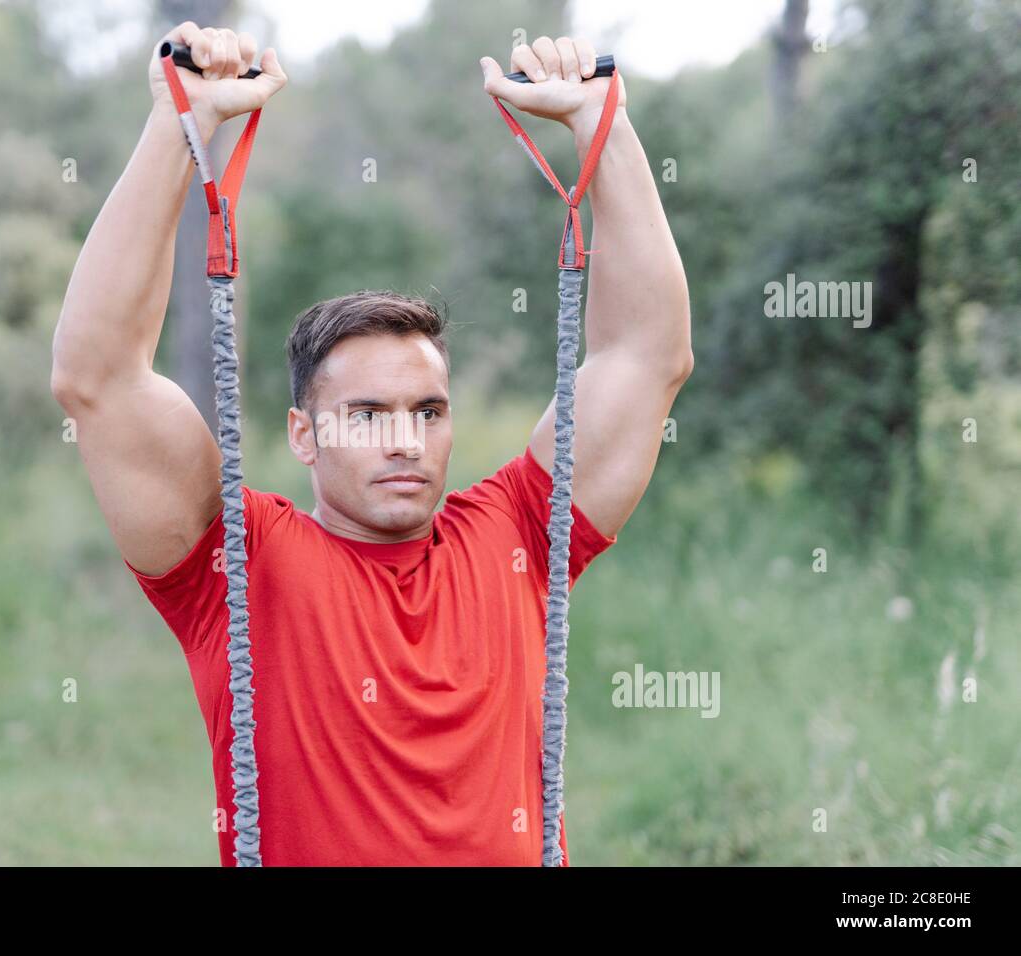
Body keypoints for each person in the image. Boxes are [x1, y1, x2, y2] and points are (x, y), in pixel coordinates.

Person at [50, 20, 692, 866]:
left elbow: (648, 357)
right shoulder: (237, 572)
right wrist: (182, 126)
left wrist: (603, 125)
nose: (405, 439)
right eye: (366, 414)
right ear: (304, 435)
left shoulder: (519, 537)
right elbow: (98, 378)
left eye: (428, 411)